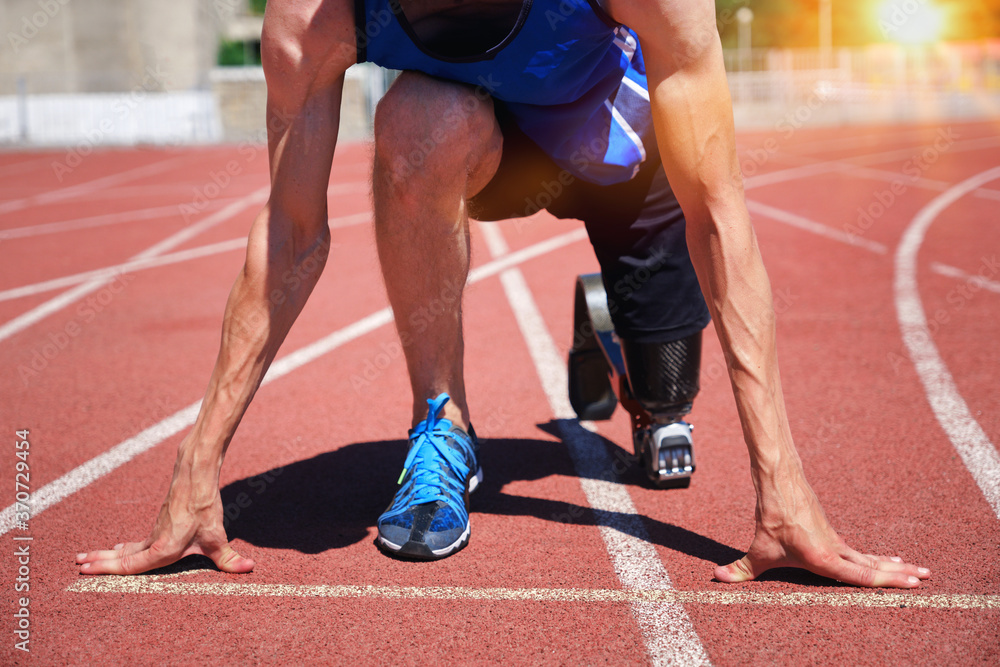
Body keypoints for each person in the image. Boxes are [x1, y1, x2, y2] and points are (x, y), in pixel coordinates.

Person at [77, 0, 930, 587]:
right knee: (414, 122)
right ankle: (441, 430)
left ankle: (617, 340)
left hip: (621, 157)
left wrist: (782, 490)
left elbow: (719, 219)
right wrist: (197, 470)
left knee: (667, 409)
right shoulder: (317, 15)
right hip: (475, 147)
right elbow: (290, 238)